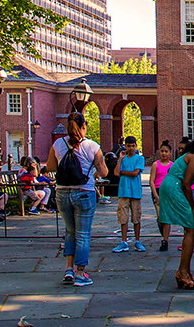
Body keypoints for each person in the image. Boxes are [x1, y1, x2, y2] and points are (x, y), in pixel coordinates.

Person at [47, 111, 109, 287]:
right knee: (83, 234)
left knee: (70, 231)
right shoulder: (92, 146)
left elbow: (51, 167)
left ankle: (68, 269)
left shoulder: (58, 144)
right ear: (84, 126)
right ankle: (81, 273)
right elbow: (104, 172)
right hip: (84, 192)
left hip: (62, 192)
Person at [157, 135, 194, 289]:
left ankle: (185, 272)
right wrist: (191, 206)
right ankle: (182, 272)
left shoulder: (191, 156)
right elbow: (186, 184)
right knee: (191, 229)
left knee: (191, 229)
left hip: (171, 185)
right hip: (174, 188)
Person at [113, 136, 147, 252]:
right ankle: (124, 241)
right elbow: (116, 173)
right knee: (123, 217)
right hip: (123, 191)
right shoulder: (123, 159)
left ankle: (137, 240)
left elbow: (135, 173)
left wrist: (122, 172)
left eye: (133, 146)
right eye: (129, 146)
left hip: (135, 192)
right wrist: (120, 159)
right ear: (125, 146)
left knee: (136, 217)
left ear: (136, 146)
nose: (131, 148)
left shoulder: (139, 159)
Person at [151, 141, 175, 252]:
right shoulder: (156, 164)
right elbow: (151, 181)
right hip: (158, 191)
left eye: (166, 151)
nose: (164, 153)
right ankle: (163, 232)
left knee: (167, 218)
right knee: (160, 217)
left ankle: (165, 240)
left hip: (168, 192)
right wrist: (155, 195)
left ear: (170, 152)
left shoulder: (172, 165)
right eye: (162, 151)